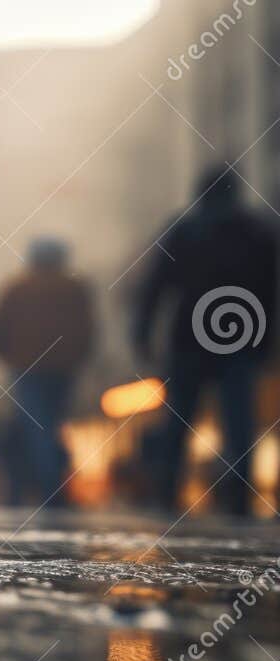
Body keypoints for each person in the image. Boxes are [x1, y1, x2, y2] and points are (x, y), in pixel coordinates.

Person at [134, 166, 279, 515]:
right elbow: (272, 290)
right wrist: (268, 341)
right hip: (242, 337)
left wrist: (142, 332)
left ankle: (167, 492)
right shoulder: (257, 230)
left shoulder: (184, 229)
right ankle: (239, 497)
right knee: (238, 420)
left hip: (188, 338)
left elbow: (155, 286)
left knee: (179, 419)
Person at [0, 237, 97, 507]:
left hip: (27, 367)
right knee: (53, 422)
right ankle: (51, 482)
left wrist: (8, 356)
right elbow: (87, 328)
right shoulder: (74, 287)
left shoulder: (15, 288)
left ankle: (46, 483)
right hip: (63, 367)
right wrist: (79, 357)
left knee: (38, 424)